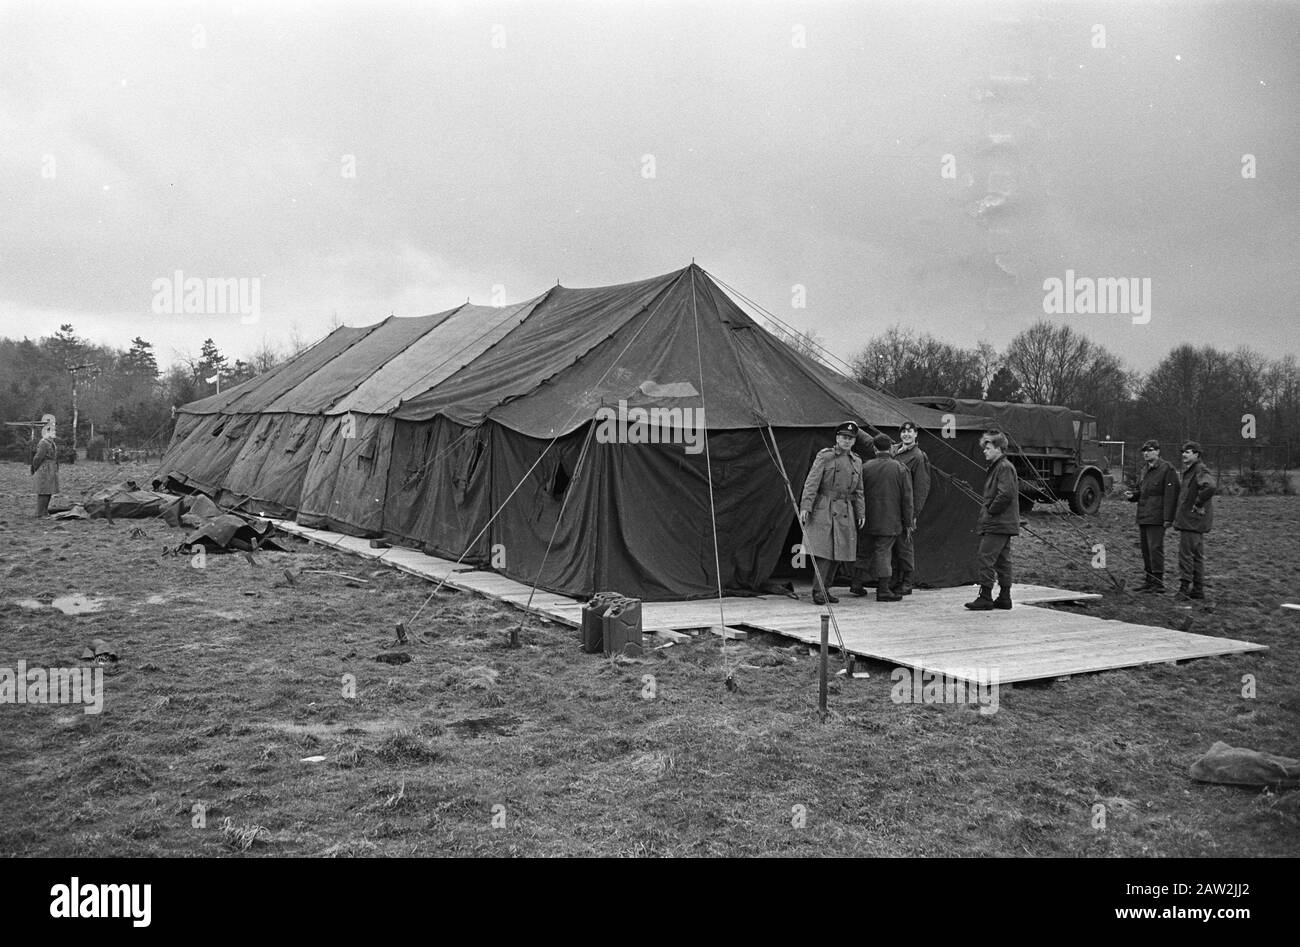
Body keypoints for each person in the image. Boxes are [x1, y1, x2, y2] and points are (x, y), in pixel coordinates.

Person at [800, 421, 865, 605]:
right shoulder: (825, 456)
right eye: (844, 437)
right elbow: (812, 483)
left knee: (840, 554)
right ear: (837, 438)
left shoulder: (857, 461)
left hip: (845, 509)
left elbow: (859, 490)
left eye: (850, 438)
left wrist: (861, 512)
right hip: (825, 508)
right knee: (825, 553)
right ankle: (818, 591)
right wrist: (806, 506)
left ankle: (826, 589)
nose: (847, 441)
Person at [850, 433, 914, 601]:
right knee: (883, 553)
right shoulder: (900, 468)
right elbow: (907, 500)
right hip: (890, 521)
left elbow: (857, 493)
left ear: (875, 448)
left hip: (866, 519)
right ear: (891, 448)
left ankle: (856, 583)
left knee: (863, 551)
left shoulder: (865, 467)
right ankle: (883, 590)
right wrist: (908, 523)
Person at [966, 430, 1018, 611]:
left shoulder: (1003, 467)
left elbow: (1005, 494)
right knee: (1003, 561)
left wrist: (990, 510)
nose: (984, 451)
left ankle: (986, 596)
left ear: (998, 448)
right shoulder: (1001, 466)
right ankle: (1004, 597)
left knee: (985, 557)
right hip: (1004, 523)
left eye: (988, 448)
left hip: (997, 522)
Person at [1124, 439, 1180, 593]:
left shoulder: (1167, 469)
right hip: (1143, 515)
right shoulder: (1145, 470)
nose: (1146, 453)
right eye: (1144, 451)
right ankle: (1149, 580)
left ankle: (1158, 582)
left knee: (1155, 548)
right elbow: (1143, 492)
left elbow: (1171, 495)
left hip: (1157, 516)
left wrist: (1168, 518)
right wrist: (1133, 496)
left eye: (1149, 450)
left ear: (1157, 451)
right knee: (1146, 549)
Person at [888, 421, 931, 595]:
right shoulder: (893, 451)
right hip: (890, 507)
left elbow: (921, 488)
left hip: (905, 508)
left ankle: (907, 582)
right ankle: (895, 579)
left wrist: (913, 514)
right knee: (892, 545)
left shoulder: (918, 457)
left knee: (905, 546)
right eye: (903, 432)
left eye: (910, 432)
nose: (906, 434)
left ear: (916, 435)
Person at [1173, 441, 1216, 601]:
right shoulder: (1191, 470)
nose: (1184, 454)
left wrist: (1198, 503)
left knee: (1186, 555)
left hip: (1192, 521)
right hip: (1194, 521)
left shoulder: (1199, 469)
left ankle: (1184, 589)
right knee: (1197, 556)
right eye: (1183, 452)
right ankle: (1198, 589)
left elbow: (1210, 486)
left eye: (1188, 452)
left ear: (1197, 454)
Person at [31, 414, 60, 518]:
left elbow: (55, 457)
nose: (55, 432)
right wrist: (35, 467)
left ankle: (44, 511)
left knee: (49, 491)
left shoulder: (51, 442)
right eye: (53, 431)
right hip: (44, 469)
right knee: (43, 491)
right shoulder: (43, 443)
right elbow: (38, 457)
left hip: (51, 469)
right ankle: (39, 513)